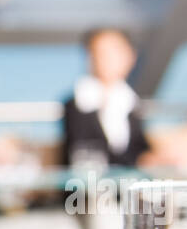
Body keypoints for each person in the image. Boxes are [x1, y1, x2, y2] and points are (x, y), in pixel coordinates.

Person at [62, 27, 148, 167]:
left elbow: (137, 150)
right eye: (100, 52)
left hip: (124, 186)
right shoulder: (76, 105)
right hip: (88, 187)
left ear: (131, 56)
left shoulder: (131, 103)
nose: (107, 58)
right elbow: (83, 155)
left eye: (115, 51)